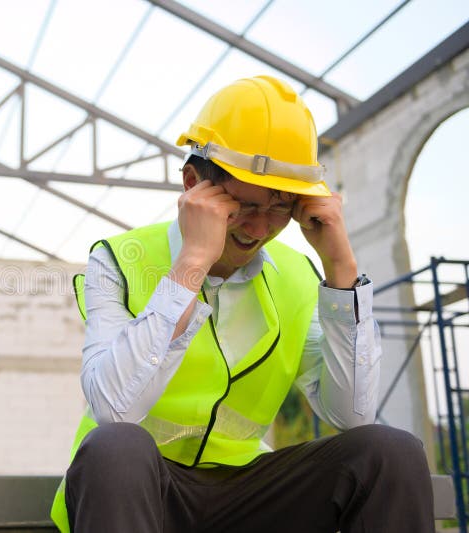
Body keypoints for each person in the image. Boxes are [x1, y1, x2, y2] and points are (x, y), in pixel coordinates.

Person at [50, 75, 434, 532]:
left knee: (391, 453)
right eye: (245, 205)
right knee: (116, 447)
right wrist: (191, 265)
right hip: (138, 497)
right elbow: (114, 410)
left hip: (248, 501)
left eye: (280, 208)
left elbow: (353, 414)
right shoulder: (117, 259)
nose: (258, 228)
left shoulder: (297, 276)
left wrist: (340, 267)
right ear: (194, 184)